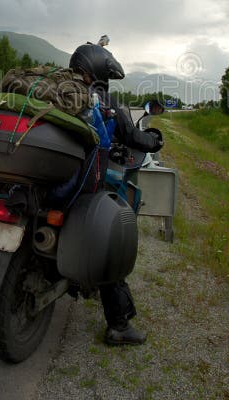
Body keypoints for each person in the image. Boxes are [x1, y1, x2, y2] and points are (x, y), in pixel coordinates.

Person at [68, 40, 163, 346]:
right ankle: (119, 325)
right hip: (86, 183)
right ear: (100, 70)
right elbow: (134, 136)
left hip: (54, 185)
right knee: (109, 238)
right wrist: (155, 141)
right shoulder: (104, 102)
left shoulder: (58, 94)